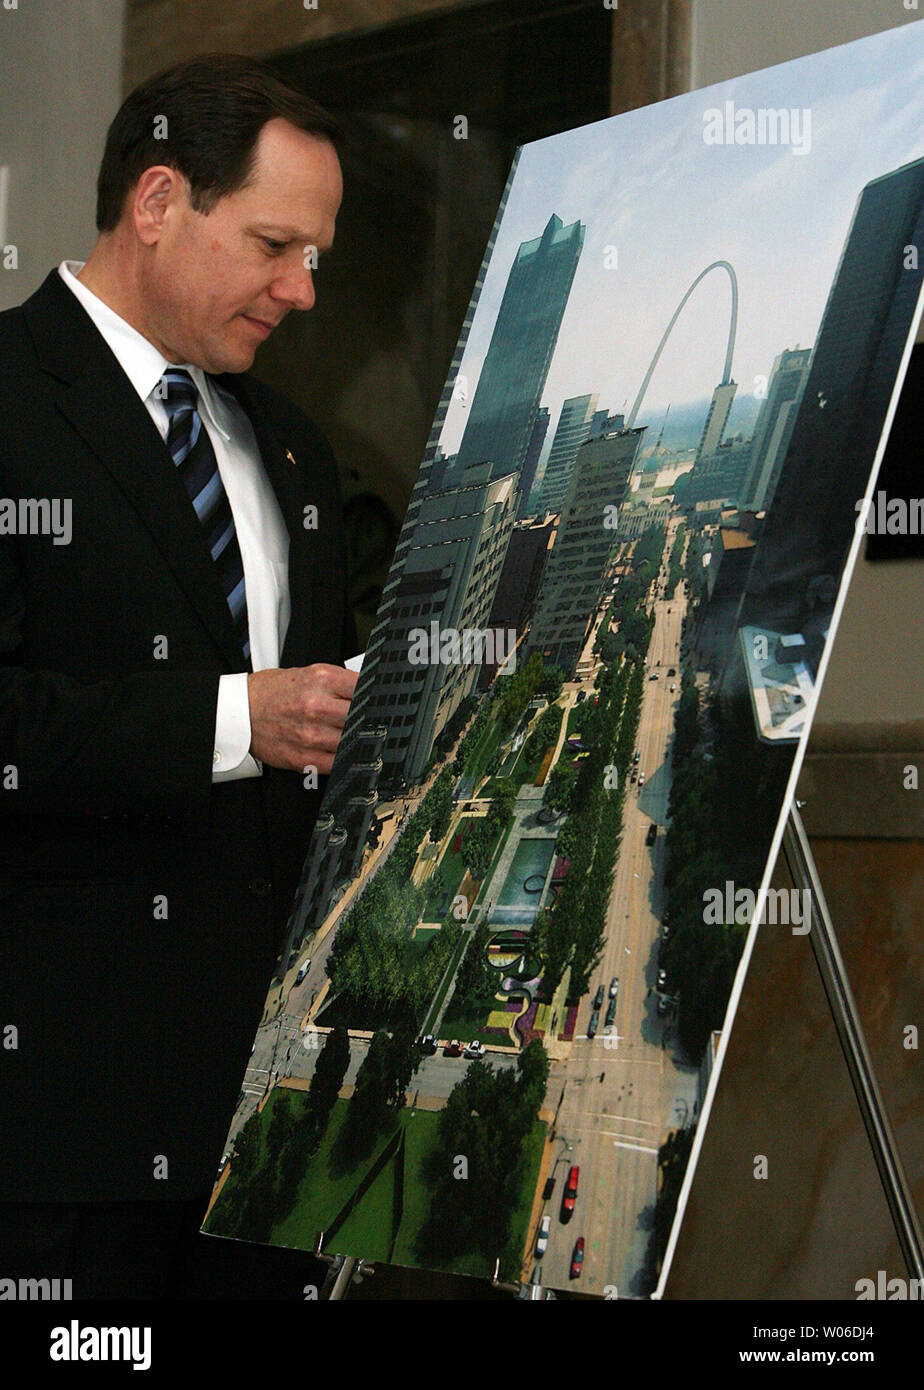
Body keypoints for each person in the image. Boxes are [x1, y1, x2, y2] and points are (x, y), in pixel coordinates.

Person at [0, 53, 360, 1297]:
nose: (301, 290)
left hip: (265, 1147)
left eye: (315, 255)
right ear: (157, 200)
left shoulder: (299, 449)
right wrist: (234, 720)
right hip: (54, 1153)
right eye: (275, 244)